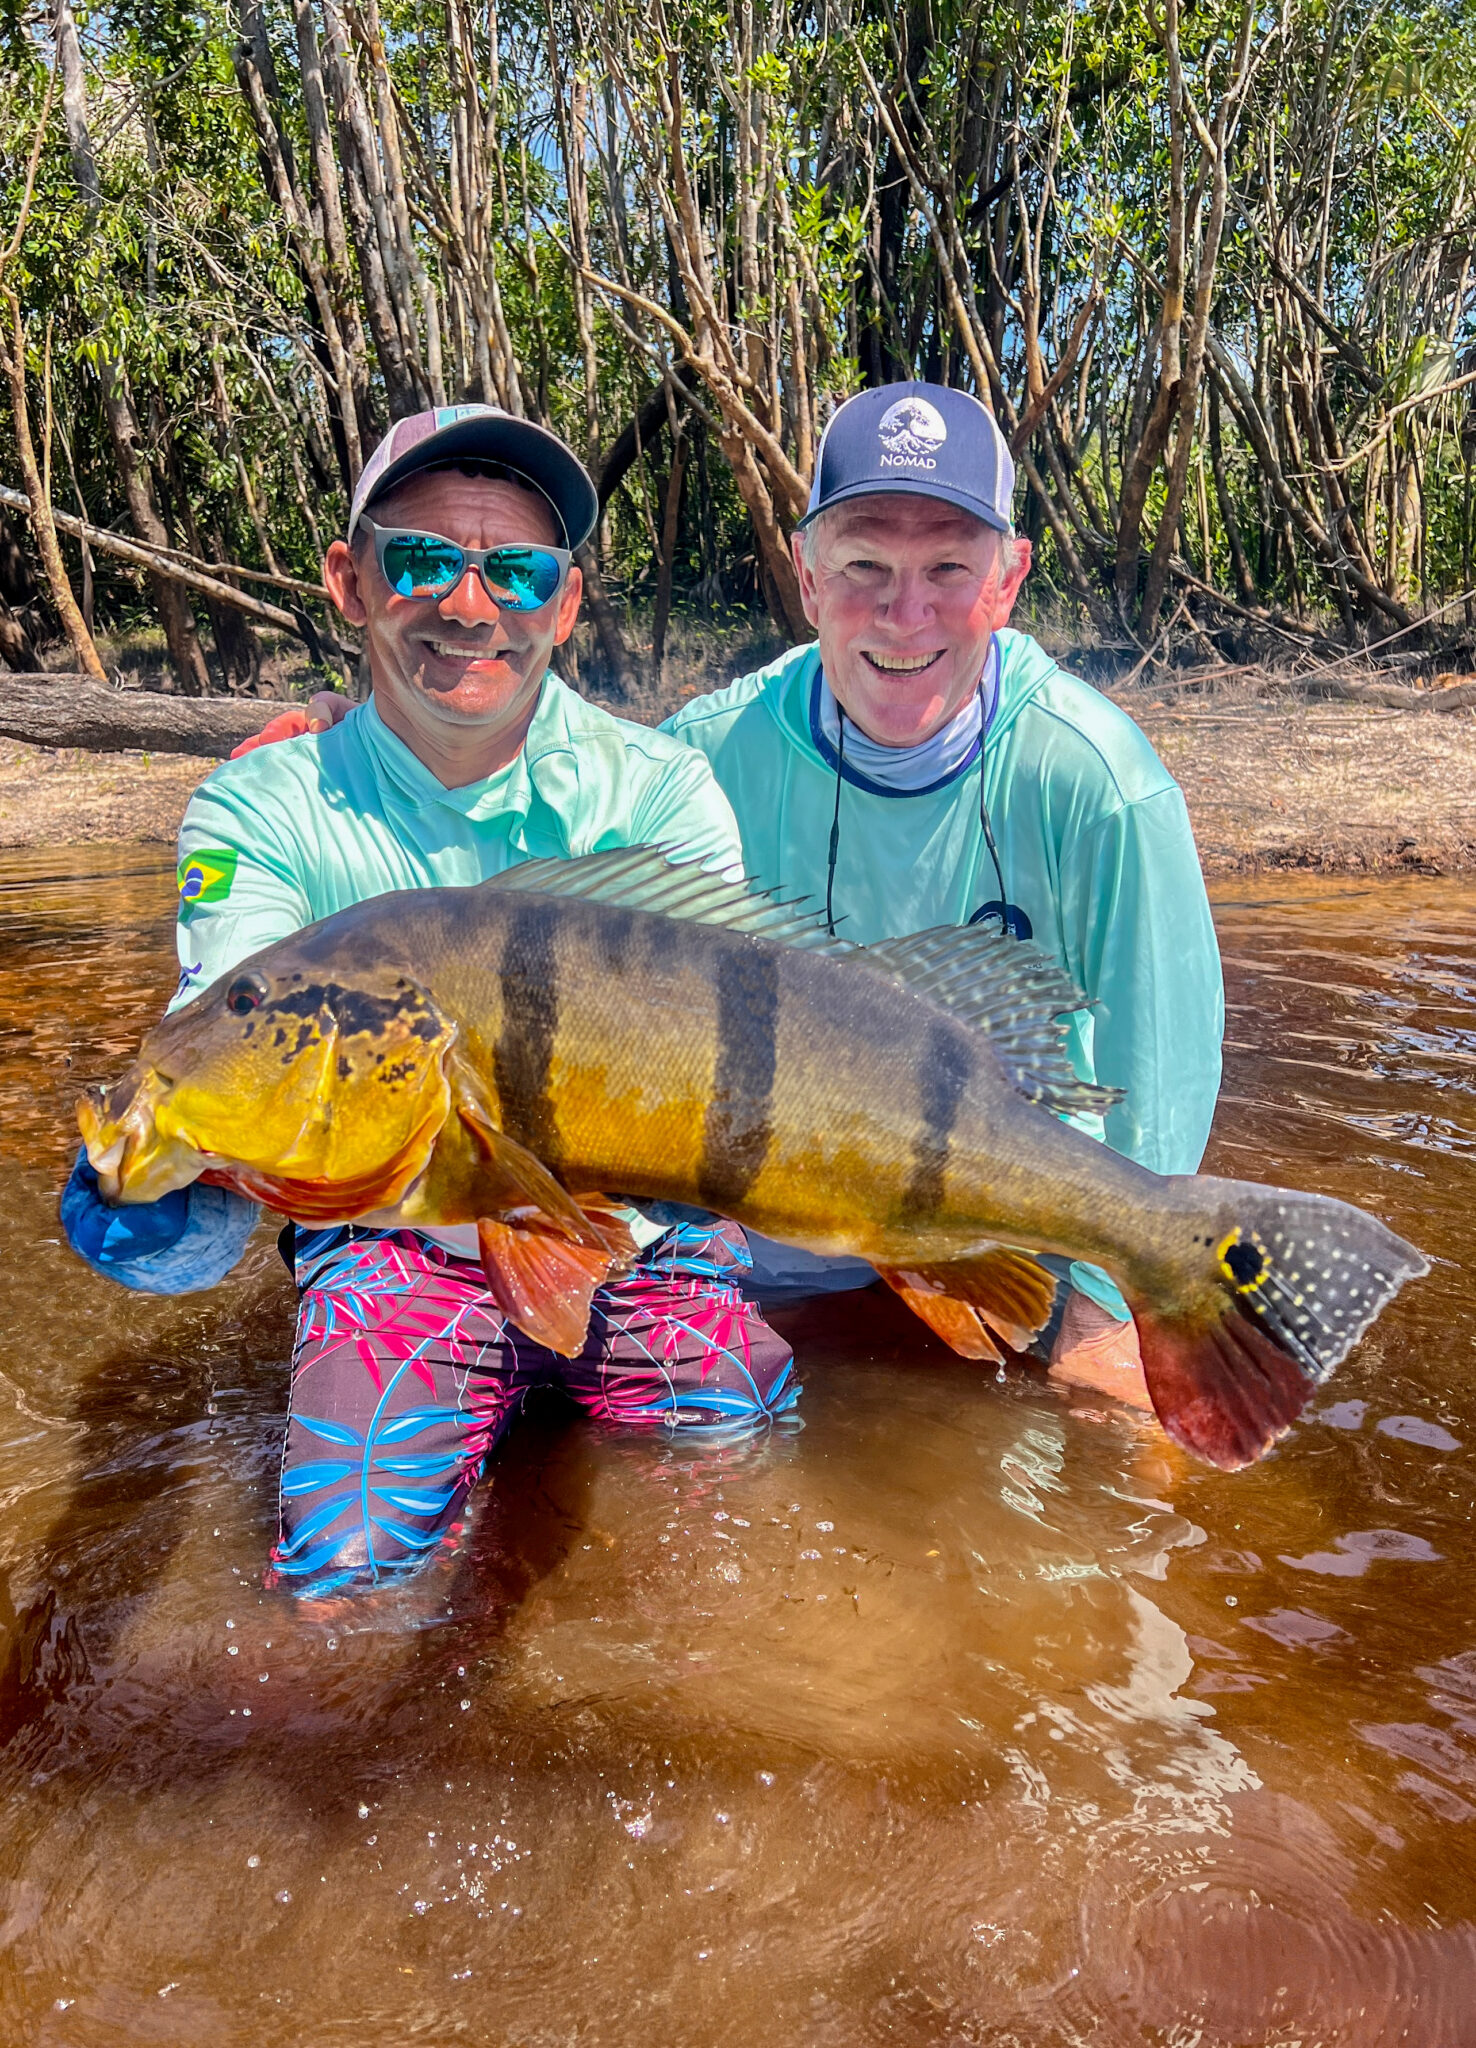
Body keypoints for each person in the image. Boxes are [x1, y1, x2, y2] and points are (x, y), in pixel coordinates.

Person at [226, 381, 1224, 1413]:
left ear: (1008, 579)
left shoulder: (1102, 782)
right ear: (805, 571)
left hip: (977, 1214)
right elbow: (533, 914)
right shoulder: (703, 750)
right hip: (749, 1258)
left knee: (1102, 1454)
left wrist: (1117, 1297)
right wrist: (360, 740)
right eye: (865, 565)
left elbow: (1165, 1067)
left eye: (948, 569)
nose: (905, 609)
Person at [61, 405, 798, 1599]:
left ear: (562, 604)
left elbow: (735, 1074)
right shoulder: (262, 807)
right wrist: (172, 1187)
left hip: (640, 1242)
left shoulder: (661, 794)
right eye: (421, 559)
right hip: (391, 1246)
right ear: (351, 582)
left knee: (748, 1482)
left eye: (515, 569)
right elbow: (247, 1039)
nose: (469, 604)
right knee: (344, 1581)